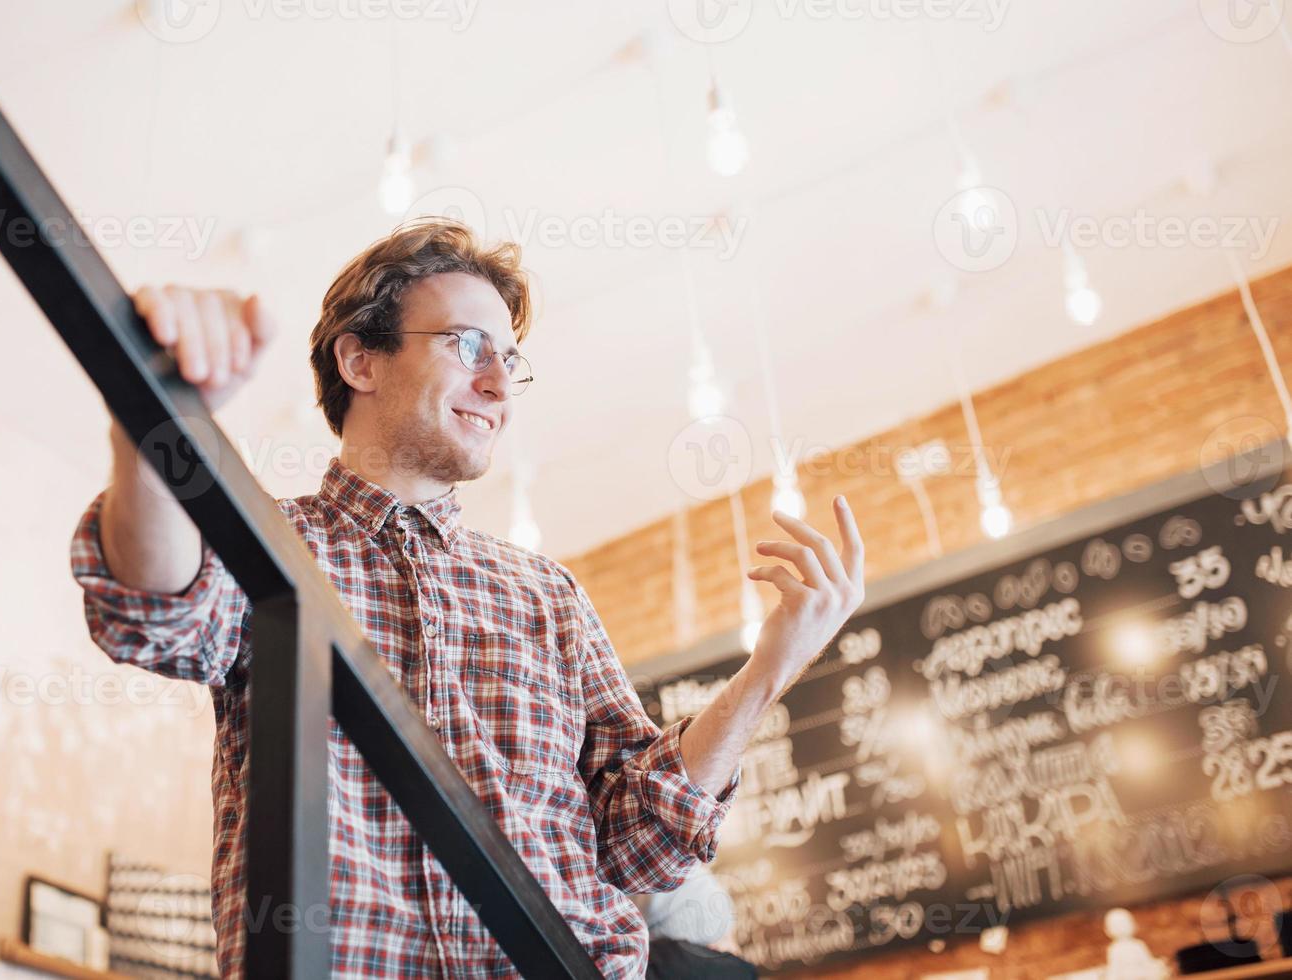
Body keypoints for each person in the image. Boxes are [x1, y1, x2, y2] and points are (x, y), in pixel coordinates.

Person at [69, 218, 865, 978]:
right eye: (467, 344)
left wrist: (771, 668)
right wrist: (150, 414)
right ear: (360, 361)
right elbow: (154, 614)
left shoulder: (547, 594)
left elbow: (639, 841)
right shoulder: (273, 541)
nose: (498, 384)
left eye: (510, 359)